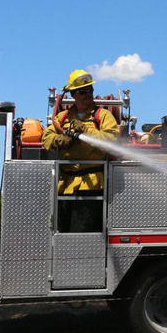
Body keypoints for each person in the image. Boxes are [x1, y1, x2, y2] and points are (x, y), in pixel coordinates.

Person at [42, 69, 120, 231]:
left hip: (91, 187)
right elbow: (46, 140)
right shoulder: (62, 118)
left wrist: (86, 130)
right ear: (73, 94)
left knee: (82, 231)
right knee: (62, 231)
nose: (88, 94)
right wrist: (60, 140)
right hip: (65, 186)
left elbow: (112, 141)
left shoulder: (102, 116)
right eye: (83, 92)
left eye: (90, 90)